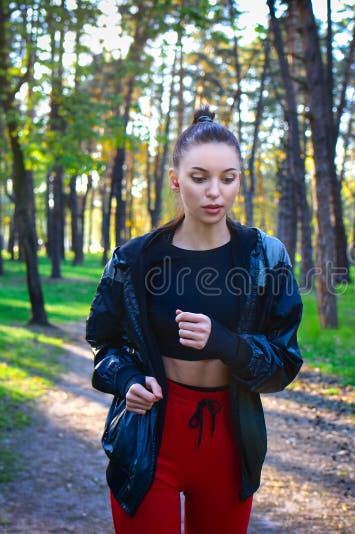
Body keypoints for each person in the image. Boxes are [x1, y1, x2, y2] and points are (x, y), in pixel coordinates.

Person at [85, 106, 304, 533]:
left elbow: (285, 361)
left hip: (229, 446)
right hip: (150, 440)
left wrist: (225, 342)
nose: (214, 192)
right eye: (199, 178)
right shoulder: (134, 259)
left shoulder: (265, 256)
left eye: (228, 178)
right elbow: (103, 343)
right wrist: (128, 379)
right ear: (175, 179)